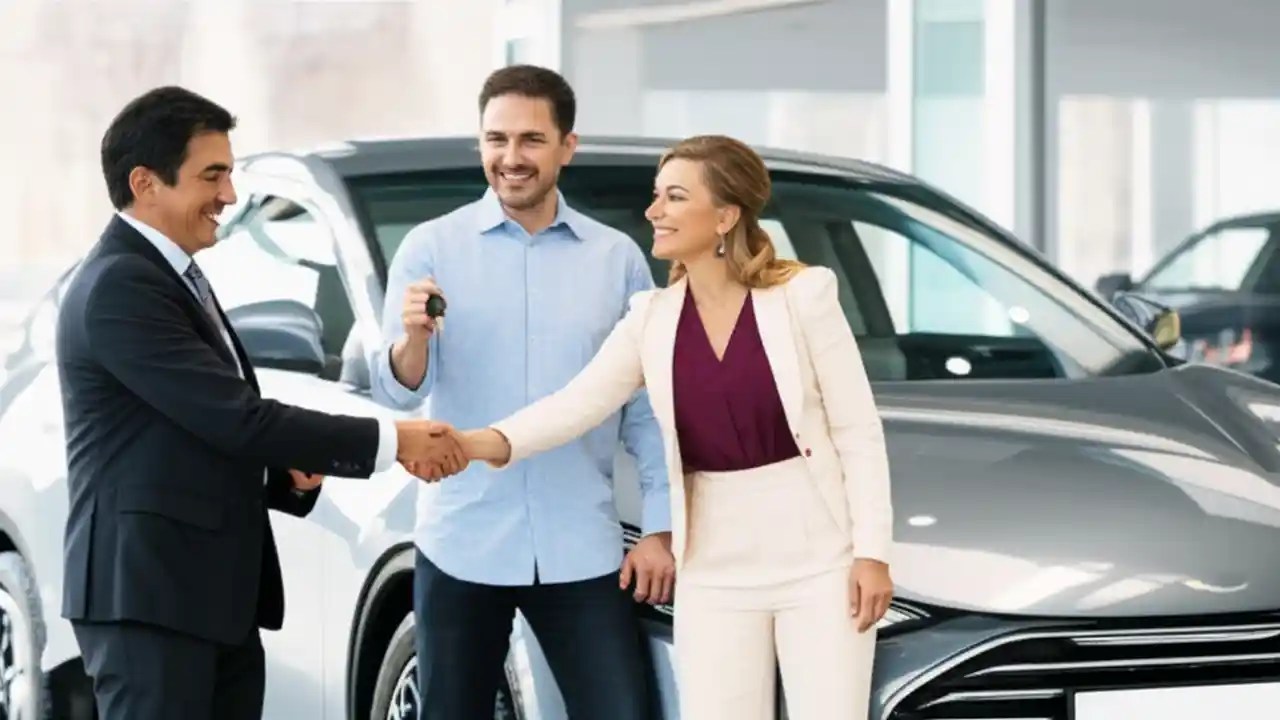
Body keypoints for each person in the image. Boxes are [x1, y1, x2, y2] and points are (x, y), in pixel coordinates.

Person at [56, 85, 464, 720]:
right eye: (212, 175)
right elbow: (233, 417)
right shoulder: (121, 285)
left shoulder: (170, 274)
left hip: (202, 598)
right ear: (146, 183)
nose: (229, 196)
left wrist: (283, 473)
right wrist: (397, 440)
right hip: (151, 602)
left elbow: (189, 428)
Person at [458, 134, 896, 720]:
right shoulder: (651, 318)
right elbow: (575, 405)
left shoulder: (803, 295)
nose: (653, 212)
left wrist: (872, 555)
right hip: (711, 565)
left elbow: (857, 433)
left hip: (820, 561)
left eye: (673, 198)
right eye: (656, 196)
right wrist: (474, 444)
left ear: (725, 215)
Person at [367, 65, 672, 720]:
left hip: (581, 540)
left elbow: (647, 409)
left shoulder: (616, 258)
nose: (511, 158)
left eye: (531, 139)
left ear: (567, 146)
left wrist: (660, 528)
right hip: (462, 538)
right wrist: (414, 340)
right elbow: (395, 396)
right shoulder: (431, 248)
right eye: (495, 139)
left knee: (622, 712)